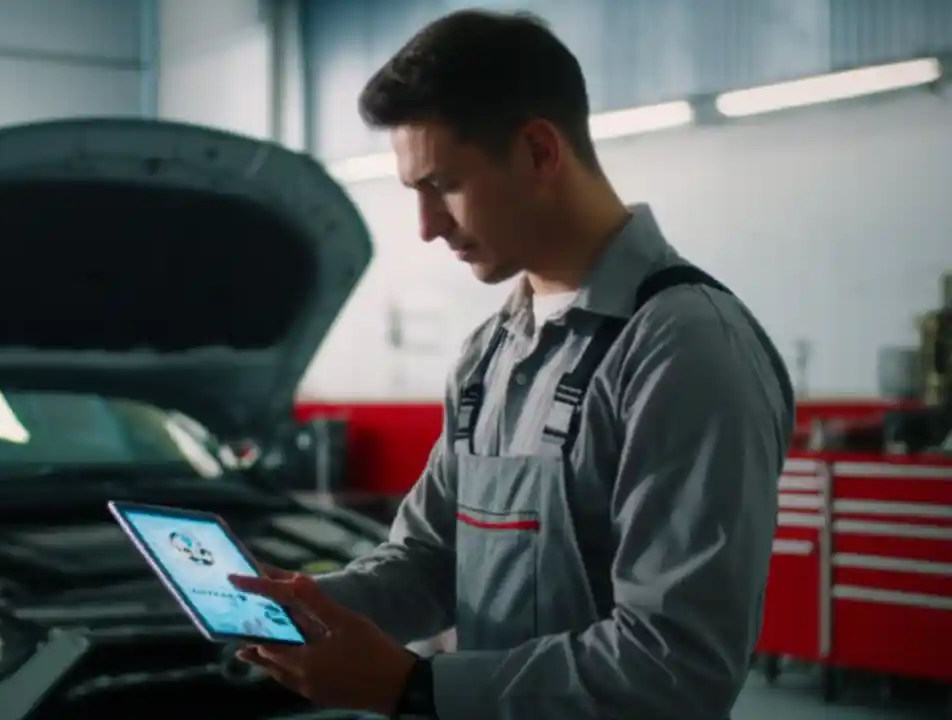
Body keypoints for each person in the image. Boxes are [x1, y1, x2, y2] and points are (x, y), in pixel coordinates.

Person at [230, 9, 794, 719]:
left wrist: (415, 688)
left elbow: (675, 667)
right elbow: (434, 559)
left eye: (443, 185)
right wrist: (309, 606)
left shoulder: (683, 349)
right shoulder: (492, 351)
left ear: (537, 152)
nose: (427, 227)